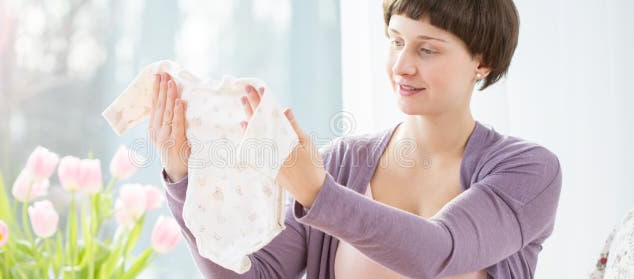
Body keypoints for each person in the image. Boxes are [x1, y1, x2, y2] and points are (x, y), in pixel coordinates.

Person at [148, 0, 561, 278]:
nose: (401, 65)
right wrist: (184, 175)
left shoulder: (526, 171)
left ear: (482, 62)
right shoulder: (344, 162)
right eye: (396, 42)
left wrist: (316, 192)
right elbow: (258, 274)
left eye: (427, 50)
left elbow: (439, 251)